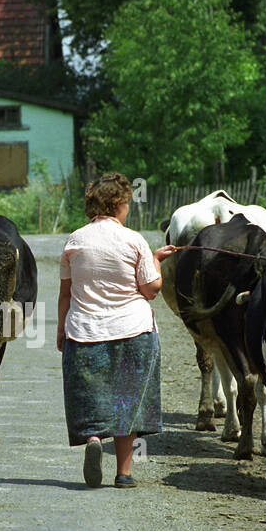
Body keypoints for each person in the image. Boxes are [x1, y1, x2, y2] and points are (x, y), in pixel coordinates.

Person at [57, 172, 177, 488]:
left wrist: (60, 330)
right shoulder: (134, 240)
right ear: (120, 204)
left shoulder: (74, 240)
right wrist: (155, 260)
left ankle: (94, 437)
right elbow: (151, 289)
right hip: (133, 330)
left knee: (92, 395)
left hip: (84, 331)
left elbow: (65, 293)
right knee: (128, 401)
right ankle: (124, 473)